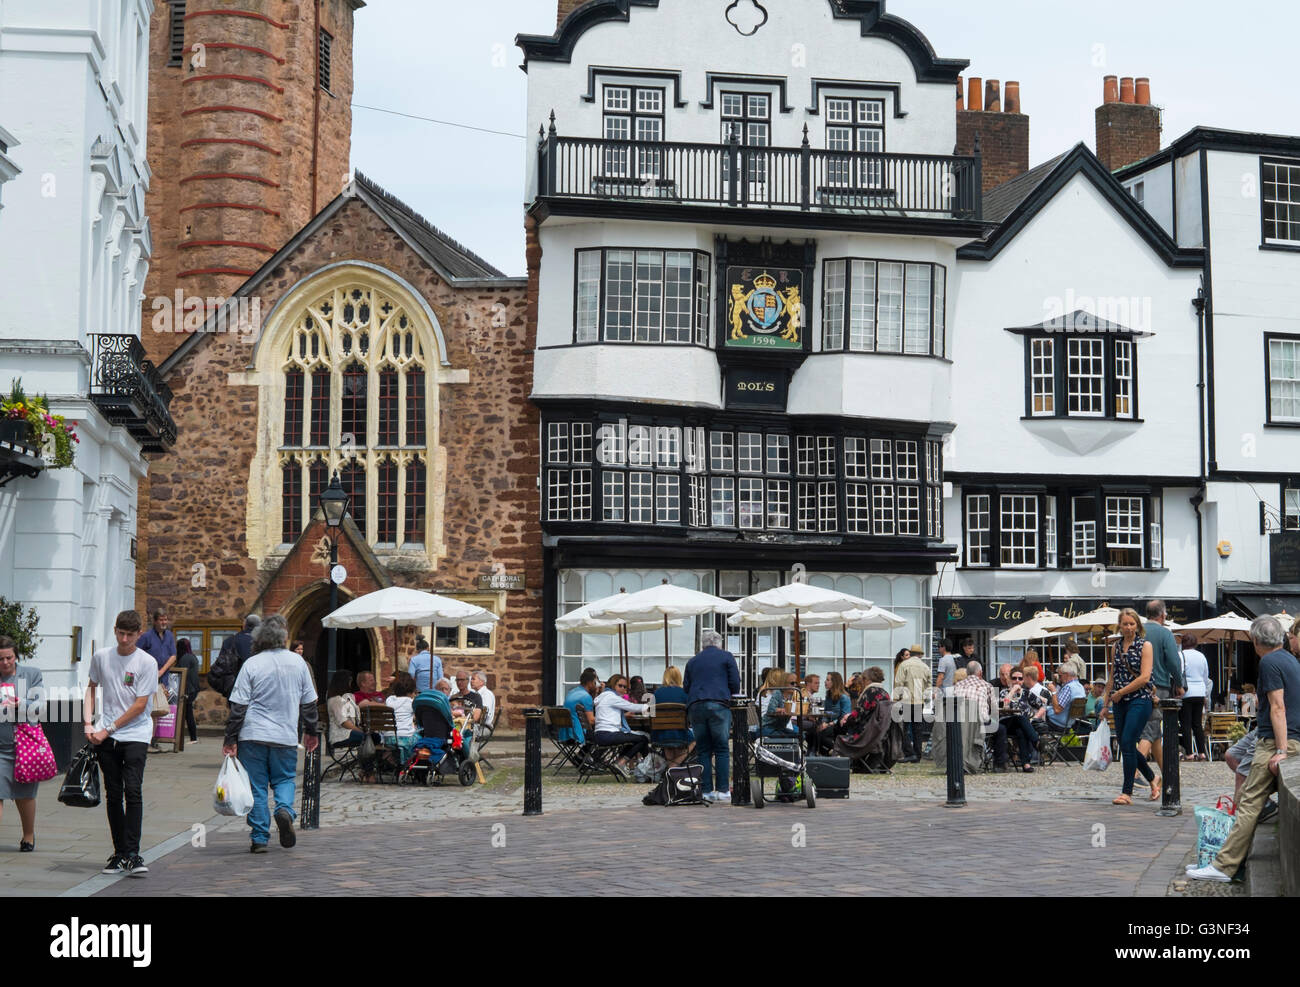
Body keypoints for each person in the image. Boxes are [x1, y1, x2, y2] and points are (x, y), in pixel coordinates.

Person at [1188, 616, 1300, 882]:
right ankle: (1228, 864)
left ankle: (1224, 867)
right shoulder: (1290, 660)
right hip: (1289, 738)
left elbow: (1277, 707)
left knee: (1248, 802)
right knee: (1251, 801)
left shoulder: (1271, 662)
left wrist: (1281, 750)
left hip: (1274, 741)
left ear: (1256, 640)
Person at [222, 614, 318, 853]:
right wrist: (311, 731)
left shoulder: (252, 664)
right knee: (284, 779)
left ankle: (259, 837)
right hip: (285, 735)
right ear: (284, 637)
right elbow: (309, 703)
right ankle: (284, 809)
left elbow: (239, 707)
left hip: (252, 734)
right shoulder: (299, 663)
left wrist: (230, 738)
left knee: (256, 786)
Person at [84, 610, 157, 877]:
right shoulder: (102, 657)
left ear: (139, 633)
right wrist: (88, 724)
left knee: (133, 790)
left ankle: (133, 854)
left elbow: (140, 705)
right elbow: (91, 687)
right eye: (120, 633)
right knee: (113, 794)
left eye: (130, 634)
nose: (124, 639)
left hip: (136, 734)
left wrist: (108, 728)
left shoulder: (146, 662)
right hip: (106, 735)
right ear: (115, 630)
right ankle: (119, 854)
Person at [1099, 607, 1158, 805]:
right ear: (1120, 625)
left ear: (1137, 625)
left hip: (1140, 699)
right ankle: (1152, 779)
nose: (1128, 627)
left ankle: (1127, 793)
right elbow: (1112, 677)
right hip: (1119, 701)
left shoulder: (1145, 646)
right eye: (1125, 624)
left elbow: (1144, 677)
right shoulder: (1115, 647)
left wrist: (1121, 693)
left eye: (1132, 624)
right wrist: (1105, 704)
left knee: (1127, 740)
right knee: (1126, 745)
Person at [684, 629, 740, 802]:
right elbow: (735, 683)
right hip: (719, 704)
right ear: (719, 643)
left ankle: (706, 790)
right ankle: (723, 791)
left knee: (703, 749)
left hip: (696, 705)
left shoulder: (692, 661)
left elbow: (686, 686)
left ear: (703, 644)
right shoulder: (726, 657)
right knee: (722, 748)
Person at [1136, 600, 1186, 790]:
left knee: (1155, 731)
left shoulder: (1139, 631)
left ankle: (1168, 775)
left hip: (1139, 685)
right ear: (1163, 615)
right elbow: (1174, 661)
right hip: (1159, 686)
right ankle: (1135, 772)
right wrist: (1179, 684)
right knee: (1151, 729)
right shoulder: (1165, 633)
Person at [0, 636, 42, 851]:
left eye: (9, 658)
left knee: (24, 795)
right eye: (1, 659)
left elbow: (39, 706)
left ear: (16, 656)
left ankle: (28, 835)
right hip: (0, 745)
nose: (5, 663)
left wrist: (20, 703)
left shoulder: (31, 675)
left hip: (25, 746)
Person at [591, 673, 651, 776]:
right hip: (608, 734)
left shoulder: (603, 696)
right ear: (613, 685)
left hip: (601, 734)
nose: (623, 689)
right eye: (620, 686)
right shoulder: (611, 697)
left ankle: (646, 766)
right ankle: (624, 763)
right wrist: (649, 707)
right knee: (643, 739)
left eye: (625, 687)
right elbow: (631, 706)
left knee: (636, 738)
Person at [998, 667, 1040, 772]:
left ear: (1023, 680)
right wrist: (1012, 691)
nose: (1017, 681)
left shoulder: (1026, 693)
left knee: (1021, 730)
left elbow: (1042, 704)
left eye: (1020, 678)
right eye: (1014, 678)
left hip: (1022, 725)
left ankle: (1026, 764)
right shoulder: (1004, 692)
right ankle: (1036, 741)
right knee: (1020, 718)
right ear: (1010, 679)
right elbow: (1003, 705)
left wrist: (1036, 716)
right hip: (1007, 722)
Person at [208, 614, 260, 699]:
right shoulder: (264, 643)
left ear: (244, 625)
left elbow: (221, 666)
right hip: (259, 688)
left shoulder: (231, 641)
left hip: (235, 689)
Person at [650, 665, 693, 765]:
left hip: (659, 735)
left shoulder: (656, 693)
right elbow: (691, 715)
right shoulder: (685, 693)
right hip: (680, 734)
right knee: (695, 740)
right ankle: (673, 768)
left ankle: (671, 771)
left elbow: (651, 714)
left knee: (668, 743)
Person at [893, 646, 929, 763]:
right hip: (919, 702)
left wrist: (896, 698)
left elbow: (899, 682)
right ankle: (918, 755)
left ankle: (909, 752)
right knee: (917, 730)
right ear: (920, 655)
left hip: (907, 701)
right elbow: (928, 686)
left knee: (903, 728)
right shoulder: (925, 667)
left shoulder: (904, 665)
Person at [1180, 635, 1211, 760]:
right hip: (1200, 691)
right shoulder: (1201, 656)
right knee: (1197, 724)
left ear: (1183, 643)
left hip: (1186, 692)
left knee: (1186, 724)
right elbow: (1205, 675)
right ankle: (1202, 752)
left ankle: (1189, 752)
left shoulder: (1181, 655)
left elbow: (1179, 672)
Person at [810, 671, 852, 754]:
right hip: (830, 724)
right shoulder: (828, 695)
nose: (825, 682)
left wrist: (829, 724)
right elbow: (826, 713)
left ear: (834, 682)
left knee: (820, 734)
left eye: (828, 680)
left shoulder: (844, 697)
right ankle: (824, 753)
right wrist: (823, 723)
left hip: (839, 726)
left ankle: (834, 751)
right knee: (813, 732)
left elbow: (844, 717)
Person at [1043, 664, 1090, 736]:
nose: (1060, 678)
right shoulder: (1080, 686)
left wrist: (1053, 691)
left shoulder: (1069, 688)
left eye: (1060, 676)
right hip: (1069, 723)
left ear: (1066, 675)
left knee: (1034, 721)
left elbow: (1057, 710)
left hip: (1056, 723)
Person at [558, 668, 599, 744]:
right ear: (589, 683)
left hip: (565, 735)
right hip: (577, 734)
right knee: (603, 737)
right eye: (595, 683)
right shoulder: (586, 697)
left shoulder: (572, 692)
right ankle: (590, 756)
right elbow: (591, 720)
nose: (596, 685)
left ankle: (580, 756)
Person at [175, 637, 201, 744]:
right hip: (193, 689)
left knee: (187, 713)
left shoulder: (185, 658)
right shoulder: (192, 656)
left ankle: (192, 737)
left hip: (187, 690)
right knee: (187, 713)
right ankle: (191, 737)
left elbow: (182, 673)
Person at [759, 667, 798, 738]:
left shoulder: (791, 696)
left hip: (780, 727)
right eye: (792, 683)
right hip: (768, 726)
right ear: (784, 683)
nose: (795, 685)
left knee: (801, 736)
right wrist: (781, 709)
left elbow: (793, 710)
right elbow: (771, 710)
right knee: (786, 736)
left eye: (796, 683)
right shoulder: (777, 693)